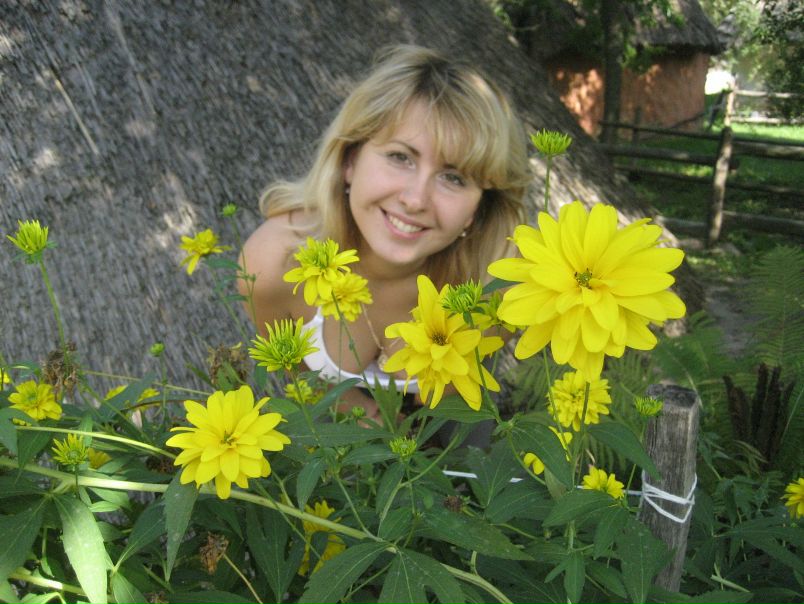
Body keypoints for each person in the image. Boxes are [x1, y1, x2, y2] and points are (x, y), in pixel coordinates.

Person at [239, 45, 530, 418]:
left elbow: (452, 399)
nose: (415, 200)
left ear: (477, 210)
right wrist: (359, 414)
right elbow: (295, 371)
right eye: (400, 157)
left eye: (454, 178)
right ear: (349, 160)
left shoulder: (497, 287)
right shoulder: (269, 266)